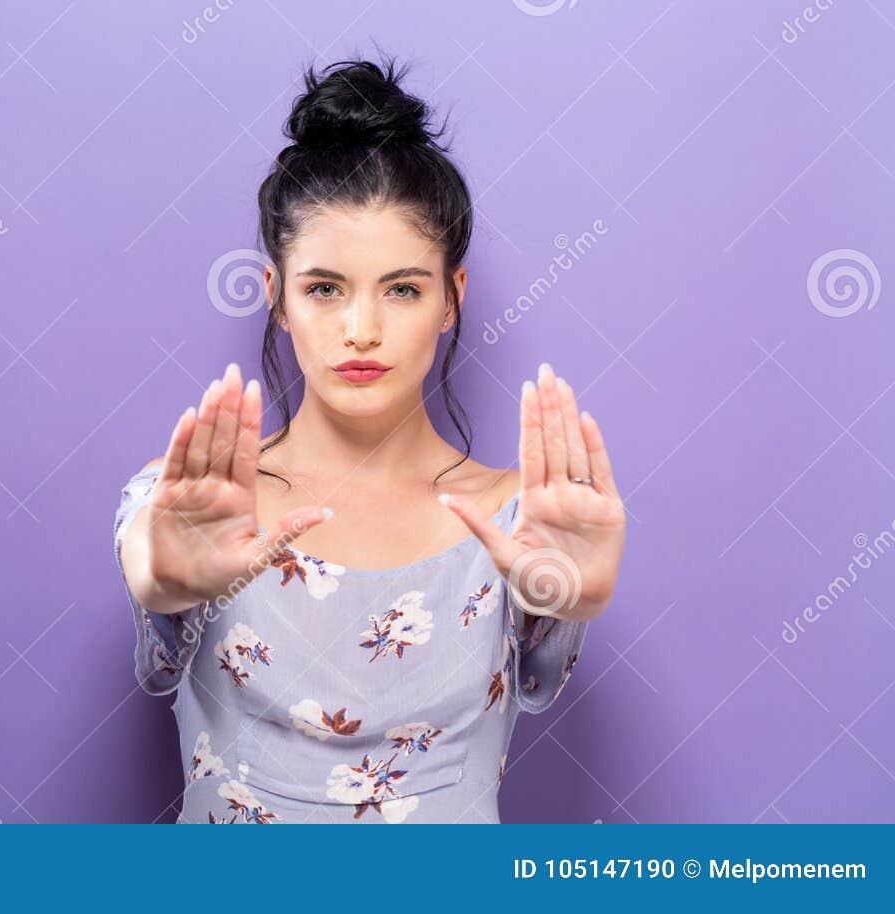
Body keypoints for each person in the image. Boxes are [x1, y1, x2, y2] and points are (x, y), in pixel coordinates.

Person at [113, 57, 626, 824]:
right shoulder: (187, 505)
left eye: (403, 288)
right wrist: (164, 582)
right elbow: (151, 571)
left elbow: (548, 644)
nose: (362, 330)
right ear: (276, 299)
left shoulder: (521, 521)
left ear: (451, 300)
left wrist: (568, 597)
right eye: (324, 288)